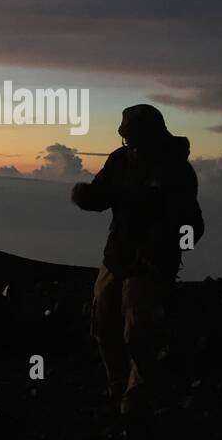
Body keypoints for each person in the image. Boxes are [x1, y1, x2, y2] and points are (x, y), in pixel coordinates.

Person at [71, 104, 204, 417]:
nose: (128, 143)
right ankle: (118, 387)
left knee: (138, 332)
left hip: (150, 265)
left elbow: (193, 224)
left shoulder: (176, 169)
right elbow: (102, 196)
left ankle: (138, 398)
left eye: (132, 136)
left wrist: (169, 251)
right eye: (125, 138)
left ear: (150, 133)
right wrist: (85, 197)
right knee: (104, 322)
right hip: (117, 255)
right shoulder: (121, 161)